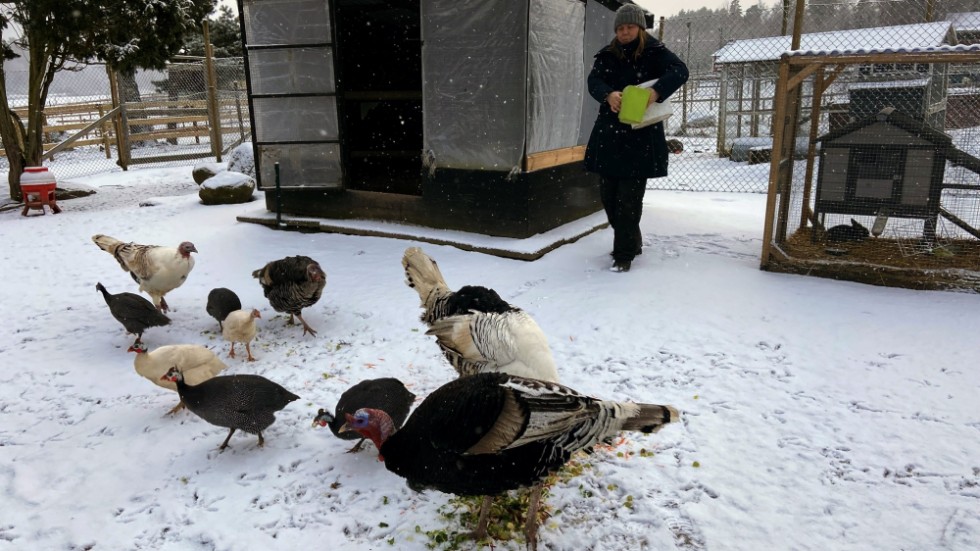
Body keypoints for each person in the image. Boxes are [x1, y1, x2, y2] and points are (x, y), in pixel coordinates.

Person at [584, 3, 689, 273]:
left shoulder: (656, 52)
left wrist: (656, 92)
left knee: (629, 200)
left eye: (629, 27)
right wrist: (608, 94)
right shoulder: (607, 55)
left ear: (640, 28)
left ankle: (624, 255)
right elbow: (593, 81)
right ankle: (631, 237)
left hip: (640, 137)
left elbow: (680, 71)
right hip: (609, 134)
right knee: (608, 197)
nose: (624, 32)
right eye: (620, 28)